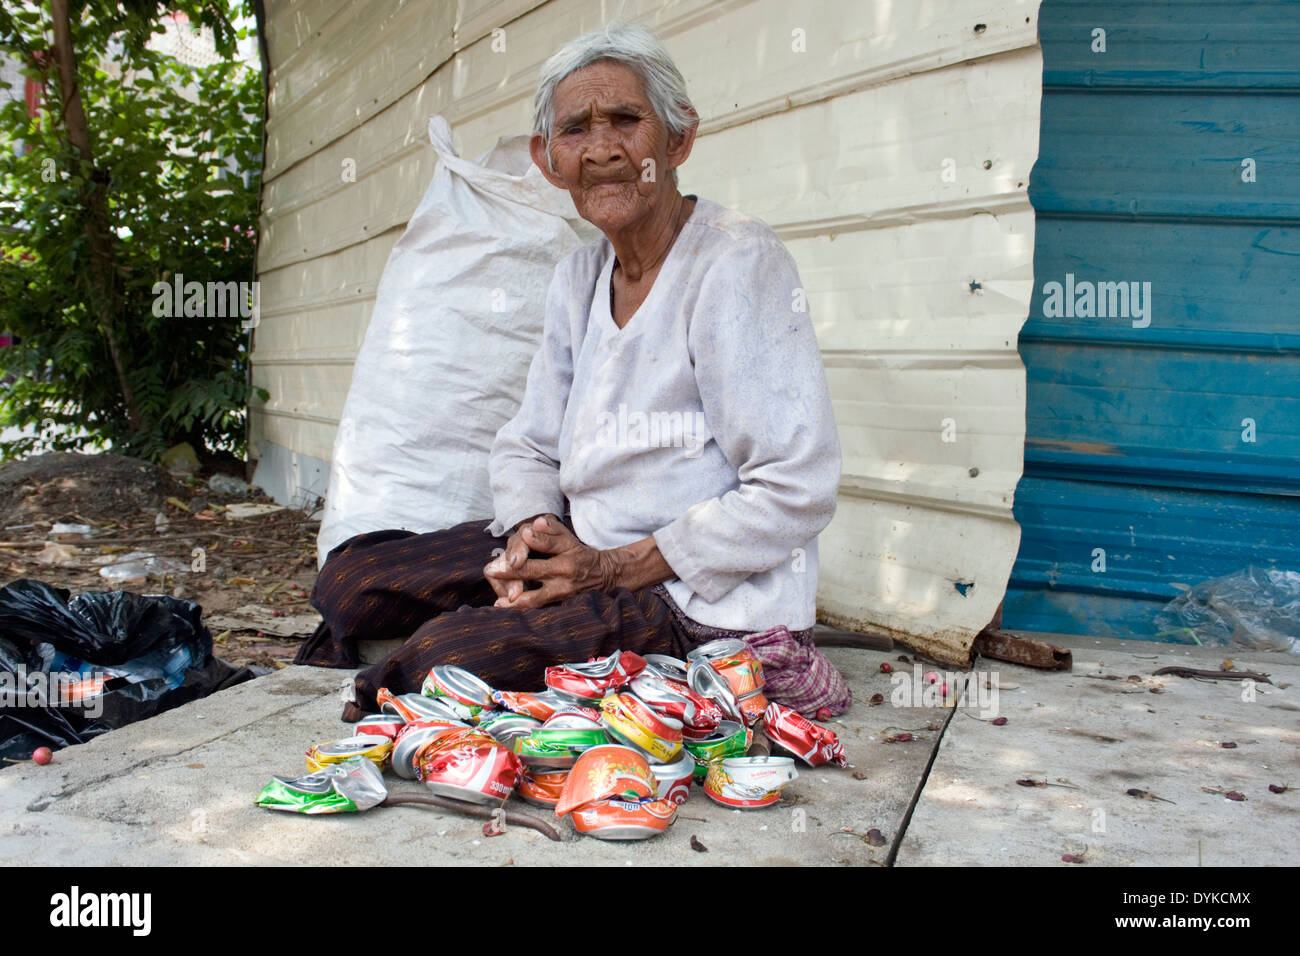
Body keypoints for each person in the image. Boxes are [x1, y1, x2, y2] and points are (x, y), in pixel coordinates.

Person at [295, 20, 842, 721]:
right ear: (548, 159)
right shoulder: (578, 276)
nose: (604, 149)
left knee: (435, 662)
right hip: (586, 548)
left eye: (626, 120)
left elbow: (796, 489)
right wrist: (535, 536)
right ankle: (519, 611)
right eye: (576, 129)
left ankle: (471, 645)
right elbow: (528, 442)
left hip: (685, 597)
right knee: (353, 581)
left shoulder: (735, 262)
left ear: (678, 139)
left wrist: (611, 568)